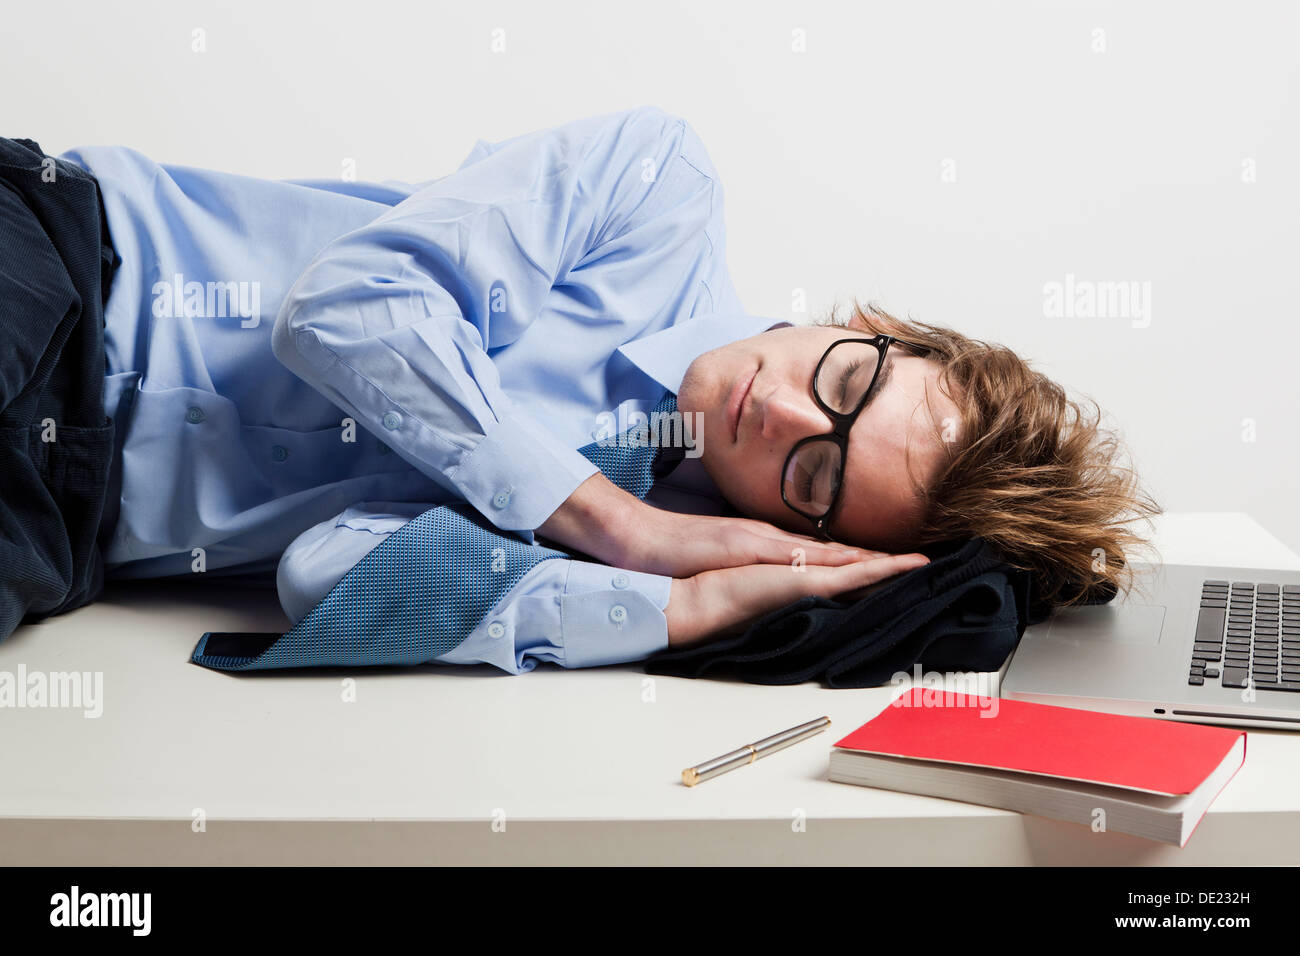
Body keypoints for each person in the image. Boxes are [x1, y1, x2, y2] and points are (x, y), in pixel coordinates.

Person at [19, 105, 1157, 671]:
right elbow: (345, 309)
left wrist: (675, 600)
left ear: (792, 525)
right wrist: (607, 517)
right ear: (876, 327)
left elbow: (324, 571)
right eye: (846, 379)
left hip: (63, 529)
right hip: (73, 269)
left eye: (815, 473)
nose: (784, 413)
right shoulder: (655, 188)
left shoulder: (663, 544)